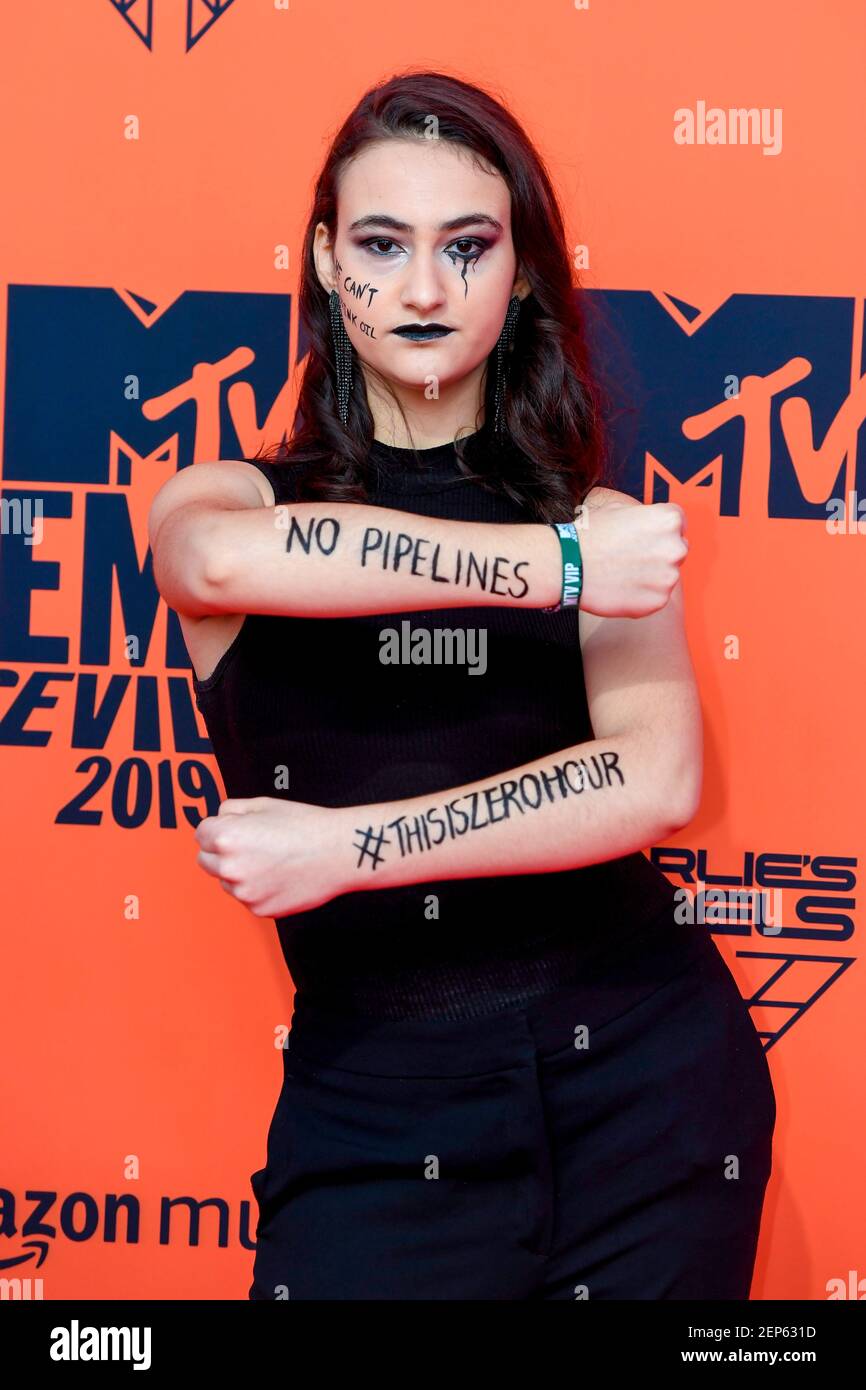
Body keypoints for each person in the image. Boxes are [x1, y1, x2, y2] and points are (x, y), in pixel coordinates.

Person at [148, 70, 775, 1300]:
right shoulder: (227, 502)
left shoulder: (599, 525)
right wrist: (556, 569)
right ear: (328, 263)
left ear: (523, 269)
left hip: (644, 1081)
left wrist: (353, 848)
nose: (422, 289)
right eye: (381, 244)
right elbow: (218, 561)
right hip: (375, 1108)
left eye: (467, 246)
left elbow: (654, 781)